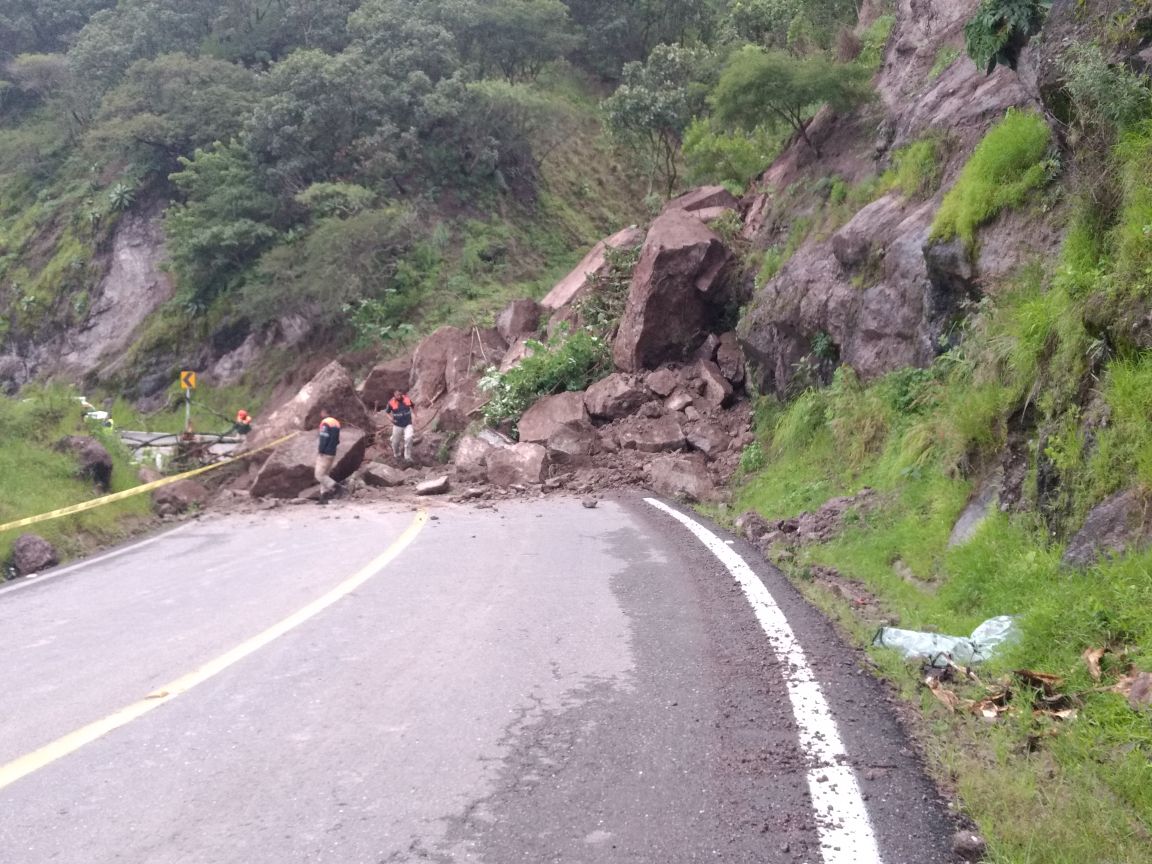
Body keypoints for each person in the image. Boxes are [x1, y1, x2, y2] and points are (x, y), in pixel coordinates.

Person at [385, 390, 416, 464]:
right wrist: (391, 419)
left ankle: (407, 457)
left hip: (408, 423)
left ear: (401, 394)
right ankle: (397, 454)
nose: (398, 397)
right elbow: (387, 413)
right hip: (397, 425)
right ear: (394, 396)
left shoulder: (407, 399)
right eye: (396, 396)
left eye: (399, 395)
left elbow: (413, 406)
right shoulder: (391, 402)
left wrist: (416, 416)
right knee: (395, 442)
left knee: (409, 438)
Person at [316, 413, 342, 498]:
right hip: (332, 452)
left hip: (325, 453)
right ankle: (324, 497)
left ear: (325, 412)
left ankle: (336, 487)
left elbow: (324, 438)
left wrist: (321, 450)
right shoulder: (336, 423)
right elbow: (337, 441)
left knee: (319, 475)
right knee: (325, 475)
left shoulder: (326, 423)